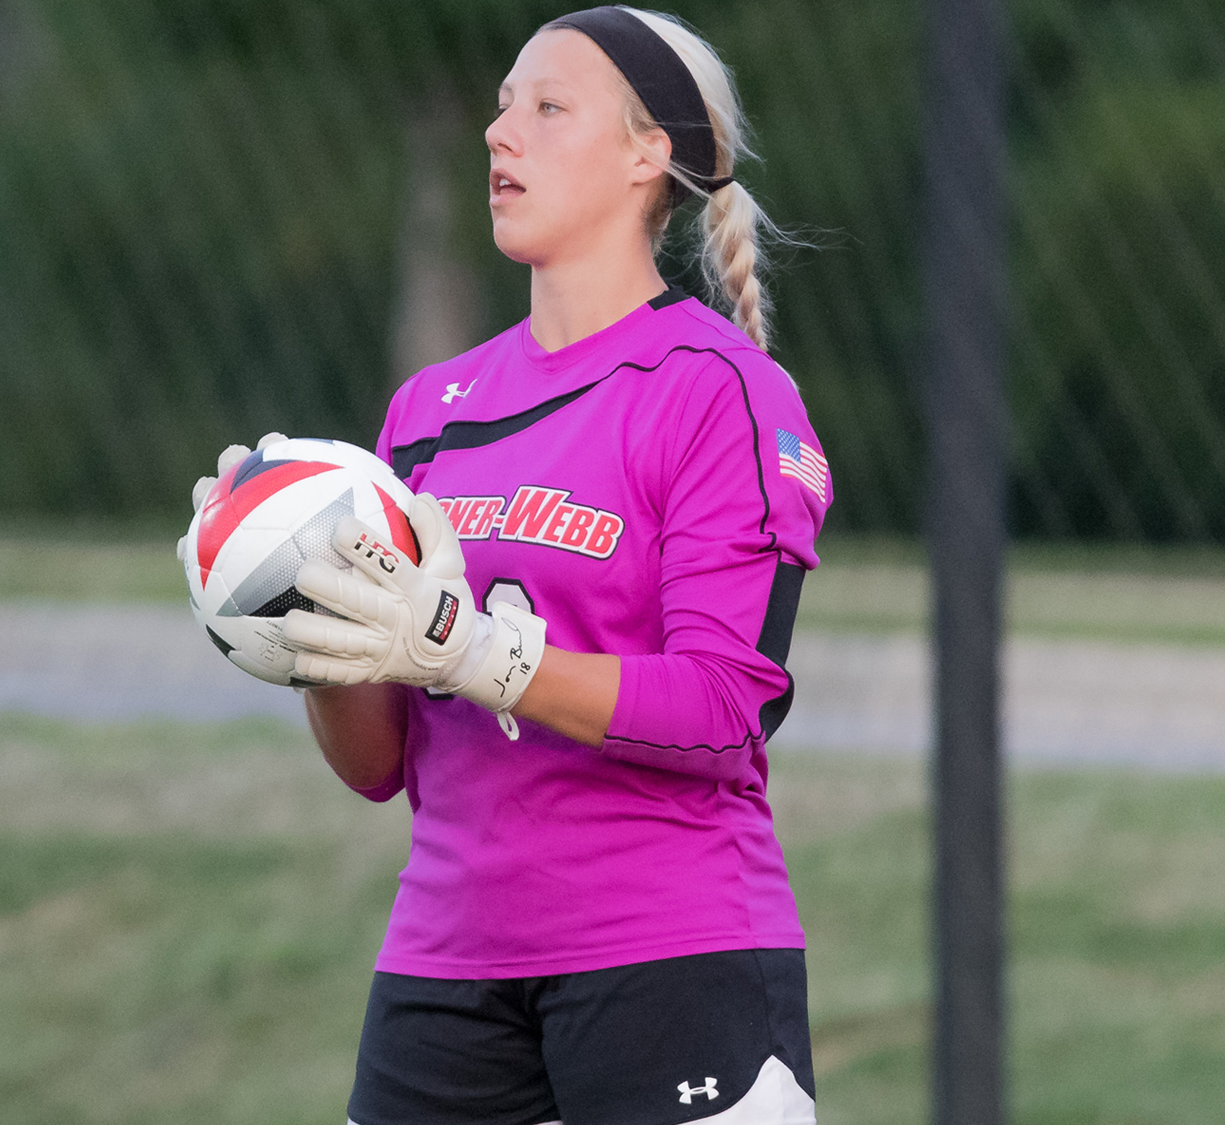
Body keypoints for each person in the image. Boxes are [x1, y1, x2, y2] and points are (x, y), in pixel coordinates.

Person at [197, 8, 828, 1122]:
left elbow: (724, 707)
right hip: (445, 969)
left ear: (646, 155)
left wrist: (481, 654)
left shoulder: (715, 389)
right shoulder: (428, 411)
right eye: (498, 106)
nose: (499, 134)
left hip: (666, 959)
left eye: (545, 107)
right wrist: (297, 615)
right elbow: (376, 764)